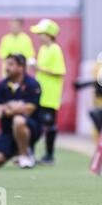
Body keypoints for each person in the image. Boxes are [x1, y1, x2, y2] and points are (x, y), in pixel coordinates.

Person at [0, 54, 42, 169]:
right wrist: (13, 105)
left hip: (31, 128)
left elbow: (28, 109)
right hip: (8, 131)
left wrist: (4, 111)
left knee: (18, 120)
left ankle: (25, 156)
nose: (7, 67)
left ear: (21, 67)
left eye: (11, 65)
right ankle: (17, 150)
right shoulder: (1, 85)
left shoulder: (32, 84)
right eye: (6, 64)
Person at [30, 19, 66, 165]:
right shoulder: (43, 49)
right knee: (38, 124)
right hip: (40, 94)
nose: (39, 36)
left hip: (50, 95)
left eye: (41, 33)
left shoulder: (55, 49)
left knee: (49, 125)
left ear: (49, 35)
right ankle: (32, 154)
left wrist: (38, 68)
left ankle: (49, 155)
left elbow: (59, 72)